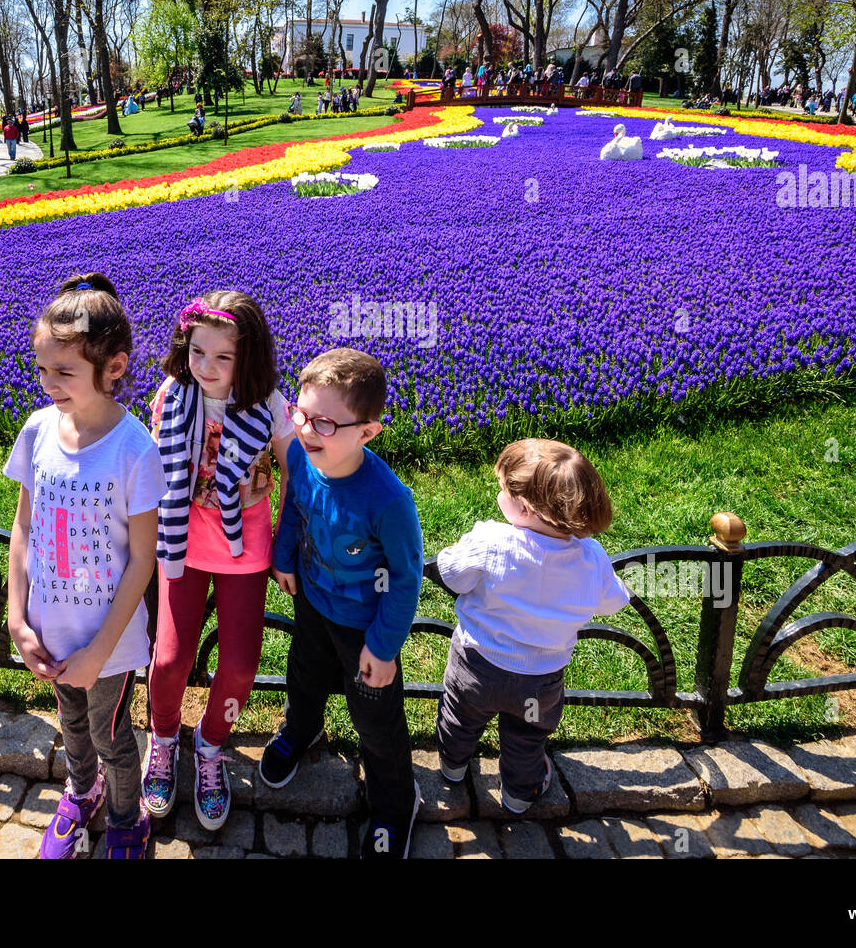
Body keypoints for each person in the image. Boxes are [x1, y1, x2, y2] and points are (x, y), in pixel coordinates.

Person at [4, 274, 166, 859]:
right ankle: (82, 790)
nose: (49, 384)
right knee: (72, 726)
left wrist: (100, 652)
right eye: (42, 369)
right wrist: (16, 619)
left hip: (110, 644)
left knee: (112, 735)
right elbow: (24, 526)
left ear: (115, 366)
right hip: (51, 629)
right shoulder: (38, 431)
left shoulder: (134, 450)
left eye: (64, 372)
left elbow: (143, 559)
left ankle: (128, 819)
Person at [262, 348, 424, 858]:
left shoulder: (388, 500)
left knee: (375, 721)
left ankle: (396, 804)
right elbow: (293, 506)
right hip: (312, 598)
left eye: (326, 422)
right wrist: (283, 555)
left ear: (367, 432)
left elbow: (405, 578)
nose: (307, 429)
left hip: (364, 625)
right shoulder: (304, 460)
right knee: (303, 674)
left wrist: (383, 645)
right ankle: (302, 730)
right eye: (302, 414)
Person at [142, 292, 295, 831]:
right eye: (197, 351)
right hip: (181, 540)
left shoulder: (270, 404)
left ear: (247, 359)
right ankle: (163, 738)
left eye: (223, 357)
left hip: (244, 545)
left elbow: (293, 473)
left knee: (239, 666)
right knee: (169, 660)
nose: (206, 367)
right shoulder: (172, 393)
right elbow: (154, 470)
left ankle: (211, 744)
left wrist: (287, 541)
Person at [434, 440, 628, 814]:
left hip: (477, 667)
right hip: (540, 680)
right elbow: (611, 603)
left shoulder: (490, 540)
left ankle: (453, 767)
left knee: (460, 717)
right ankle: (520, 796)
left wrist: (455, 549)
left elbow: (451, 574)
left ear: (524, 506)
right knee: (526, 737)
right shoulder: (592, 557)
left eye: (504, 487)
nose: (498, 492)